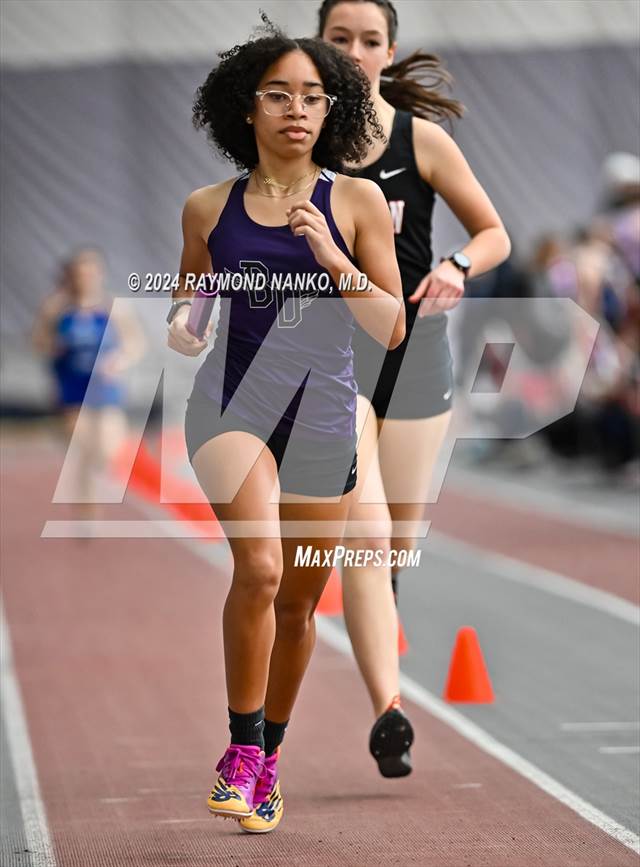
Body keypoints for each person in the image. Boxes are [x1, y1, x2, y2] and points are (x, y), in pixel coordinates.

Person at [167, 22, 405, 834]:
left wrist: (334, 259)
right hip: (230, 408)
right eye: (278, 95)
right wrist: (187, 322)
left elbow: (391, 328)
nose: (296, 109)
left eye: (312, 96)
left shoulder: (357, 202)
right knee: (262, 568)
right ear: (247, 108)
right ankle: (239, 748)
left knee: (301, 605)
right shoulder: (207, 207)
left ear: (330, 111)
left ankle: (268, 755)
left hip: (324, 419)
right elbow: (193, 298)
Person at [318, 0, 511, 776]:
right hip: (334, 356)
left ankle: (383, 610)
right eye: (340, 38)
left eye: (370, 40)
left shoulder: (419, 140)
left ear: (389, 51)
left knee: (397, 542)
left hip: (417, 349)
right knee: (363, 538)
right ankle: (388, 711)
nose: (355, 51)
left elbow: (495, 234)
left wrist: (457, 266)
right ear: (318, 44)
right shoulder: (301, 139)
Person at [31, 247, 144, 526]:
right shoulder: (57, 308)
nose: (85, 279)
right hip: (72, 389)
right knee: (80, 448)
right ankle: (86, 502)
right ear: (70, 276)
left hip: (105, 389)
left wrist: (119, 360)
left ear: (99, 275)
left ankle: (92, 486)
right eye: (80, 274)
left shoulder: (113, 307)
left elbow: (135, 343)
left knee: (108, 449)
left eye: (91, 273)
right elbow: (39, 341)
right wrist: (52, 345)